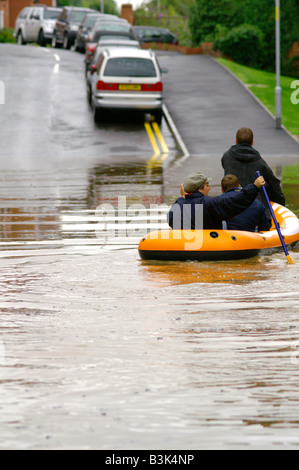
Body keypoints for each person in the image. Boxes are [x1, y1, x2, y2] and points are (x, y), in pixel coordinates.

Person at [167, 172, 266, 230]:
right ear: (200, 189)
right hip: (211, 246)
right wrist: (254, 187)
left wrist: (184, 197)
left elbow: (172, 222)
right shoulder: (209, 203)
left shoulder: (177, 205)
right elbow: (235, 202)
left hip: (185, 246)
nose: (209, 188)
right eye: (207, 185)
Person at [221, 127, 285, 206]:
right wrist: (280, 205)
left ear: (236, 141)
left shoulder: (227, 157)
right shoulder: (260, 163)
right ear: (252, 142)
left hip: (232, 203)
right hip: (256, 205)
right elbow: (274, 186)